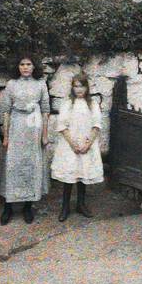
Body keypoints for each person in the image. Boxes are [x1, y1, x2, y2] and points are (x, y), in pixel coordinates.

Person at [0, 56, 49, 225]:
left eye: (28, 64)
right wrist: (6, 135)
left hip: (34, 127)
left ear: (34, 67)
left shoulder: (40, 84)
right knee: (13, 164)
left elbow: (45, 110)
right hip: (17, 125)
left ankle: (28, 205)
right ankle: (8, 206)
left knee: (31, 164)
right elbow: (5, 111)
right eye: (22, 64)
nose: (25, 67)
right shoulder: (11, 84)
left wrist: (44, 134)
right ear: (17, 67)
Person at [51, 72, 103, 222]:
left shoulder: (92, 104)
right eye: (76, 86)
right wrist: (73, 143)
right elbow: (62, 125)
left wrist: (88, 143)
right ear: (72, 88)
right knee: (70, 175)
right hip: (70, 145)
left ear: (87, 87)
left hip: (87, 144)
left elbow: (97, 125)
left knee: (83, 174)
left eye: (82, 86)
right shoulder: (68, 103)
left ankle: (81, 204)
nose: (79, 90)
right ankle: (65, 207)